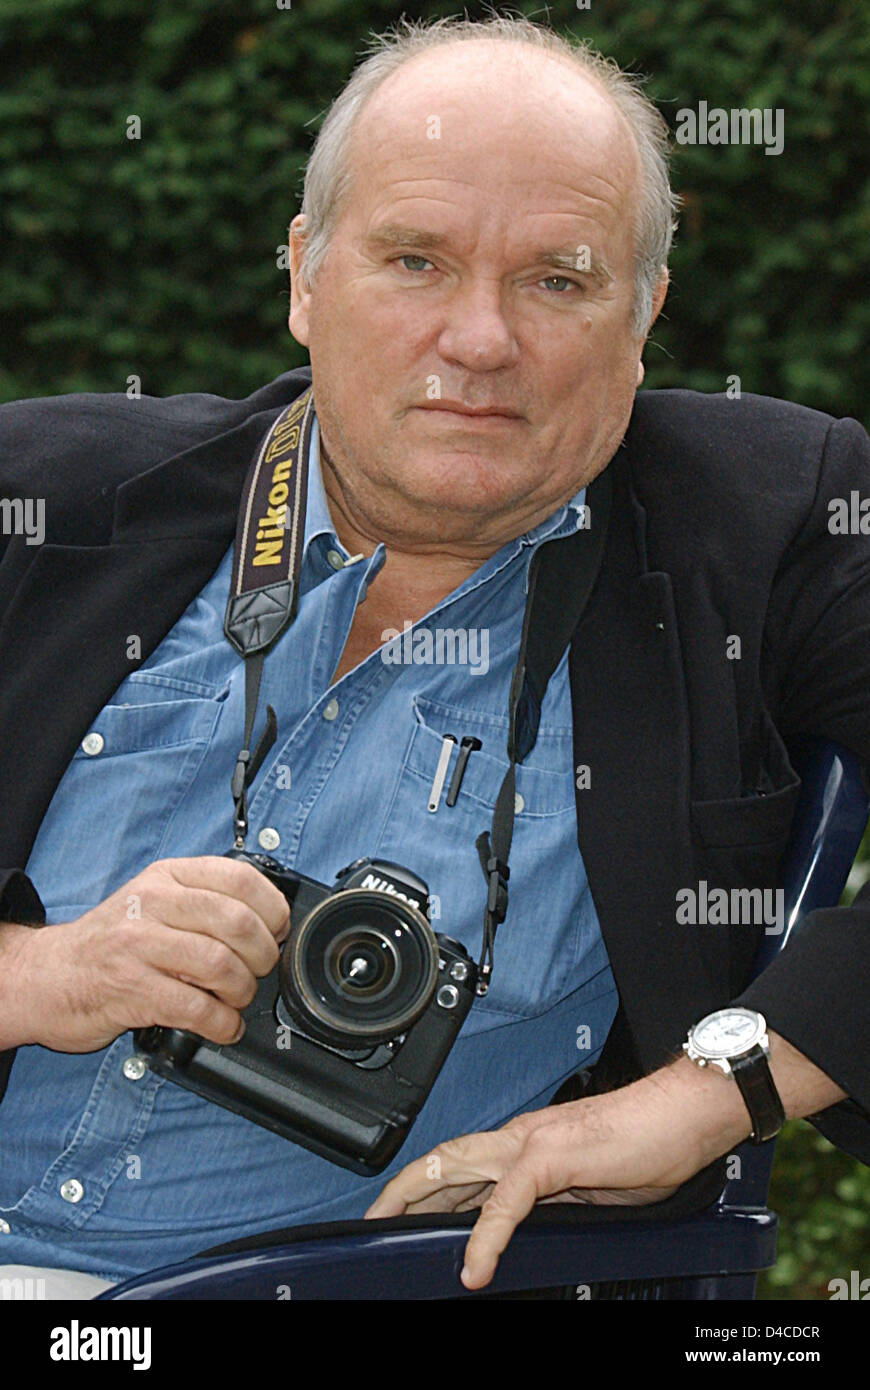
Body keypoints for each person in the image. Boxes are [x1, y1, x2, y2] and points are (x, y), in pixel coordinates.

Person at [0, 15, 867, 1298]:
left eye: (558, 280)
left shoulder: (769, 524)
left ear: (646, 313)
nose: (479, 341)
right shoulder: (40, 499)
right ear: (304, 275)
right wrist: (37, 973)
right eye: (415, 260)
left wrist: (714, 1089)